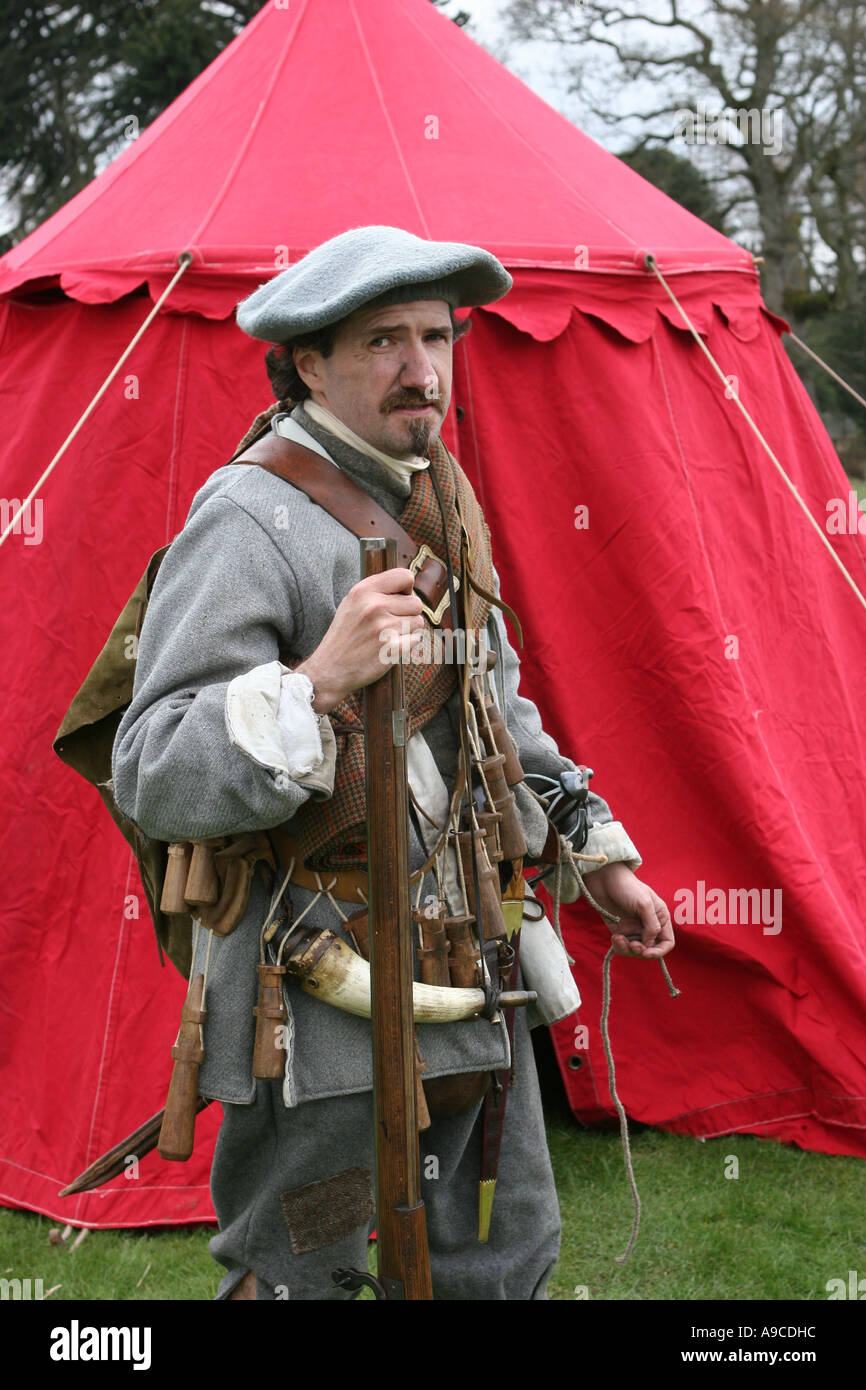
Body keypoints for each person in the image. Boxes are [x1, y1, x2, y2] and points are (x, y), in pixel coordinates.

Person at [112, 225, 674, 1301]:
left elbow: (492, 705)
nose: (421, 369)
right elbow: (151, 763)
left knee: (493, 1255)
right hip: (318, 975)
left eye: (435, 335)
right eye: (381, 340)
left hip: (471, 948)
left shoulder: (439, 493)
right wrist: (316, 680)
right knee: (298, 1270)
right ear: (307, 363)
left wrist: (593, 852)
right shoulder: (245, 517)